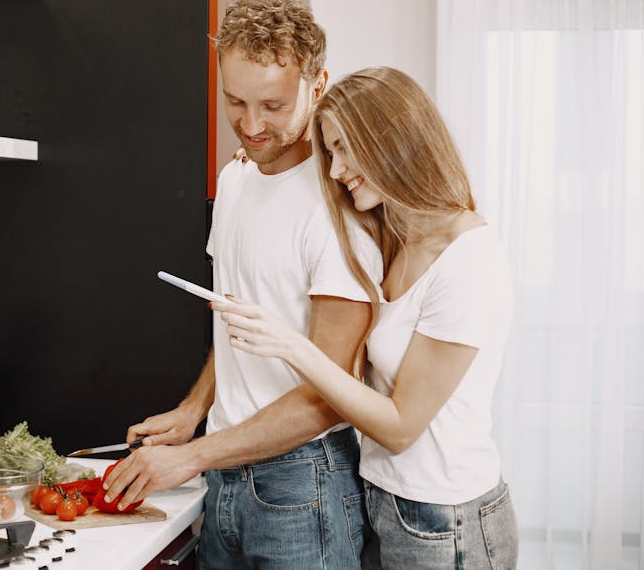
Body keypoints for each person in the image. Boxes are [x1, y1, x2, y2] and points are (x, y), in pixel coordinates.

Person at [102, 0, 383, 568]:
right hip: (226, 475)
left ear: (318, 85)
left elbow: (329, 399)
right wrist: (192, 411)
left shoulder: (339, 207)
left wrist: (194, 456)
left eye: (274, 106)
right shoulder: (235, 180)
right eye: (234, 101)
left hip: (304, 488)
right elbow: (234, 313)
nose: (250, 126)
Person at [213, 66, 519, 569]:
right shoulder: (397, 236)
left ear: (394, 143)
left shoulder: (469, 261)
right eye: (330, 152)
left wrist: (292, 346)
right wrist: (262, 158)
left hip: (448, 521)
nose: (335, 170)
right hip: (386, 502)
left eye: (346, 150)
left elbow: (400, 428)